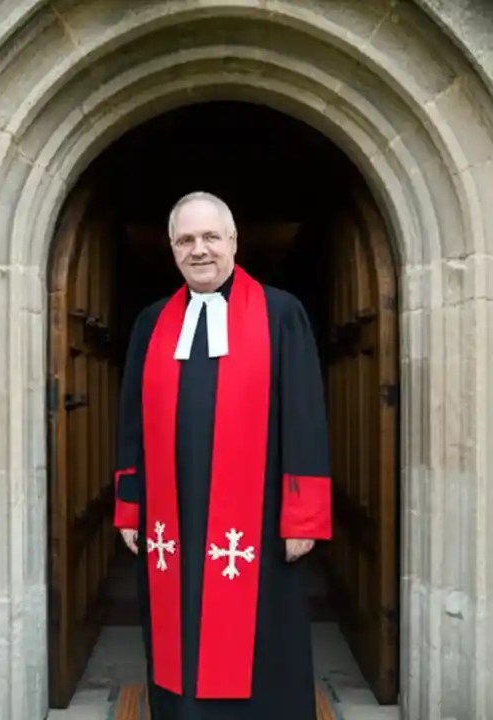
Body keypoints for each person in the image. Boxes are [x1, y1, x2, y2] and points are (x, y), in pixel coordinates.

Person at [111, 192, 332, 719]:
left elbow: (304, 414)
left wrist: (302, 516)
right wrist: (130, 505)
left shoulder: (281, 313)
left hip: (257, 521)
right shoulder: (151, 323)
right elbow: (131, 421)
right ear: (172, 248)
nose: (199, 250)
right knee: (179, 636)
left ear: (233, 241)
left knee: (260, 646)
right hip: (174, 519)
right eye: (186, 240)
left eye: (211, 237)